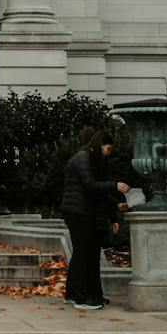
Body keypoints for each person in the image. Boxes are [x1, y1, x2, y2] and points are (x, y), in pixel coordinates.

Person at [60, 126, 127, 309]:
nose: (108, 153)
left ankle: (78, 294)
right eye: (108, 149)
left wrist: (113, 216)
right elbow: (91, 186)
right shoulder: (84, 159)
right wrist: (115, 186)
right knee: (85, 253)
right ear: (100, 145)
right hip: (78, 212)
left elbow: (99, 192)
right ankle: (83, 298)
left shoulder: (92, 160)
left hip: (83, 211)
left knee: (84, 253)